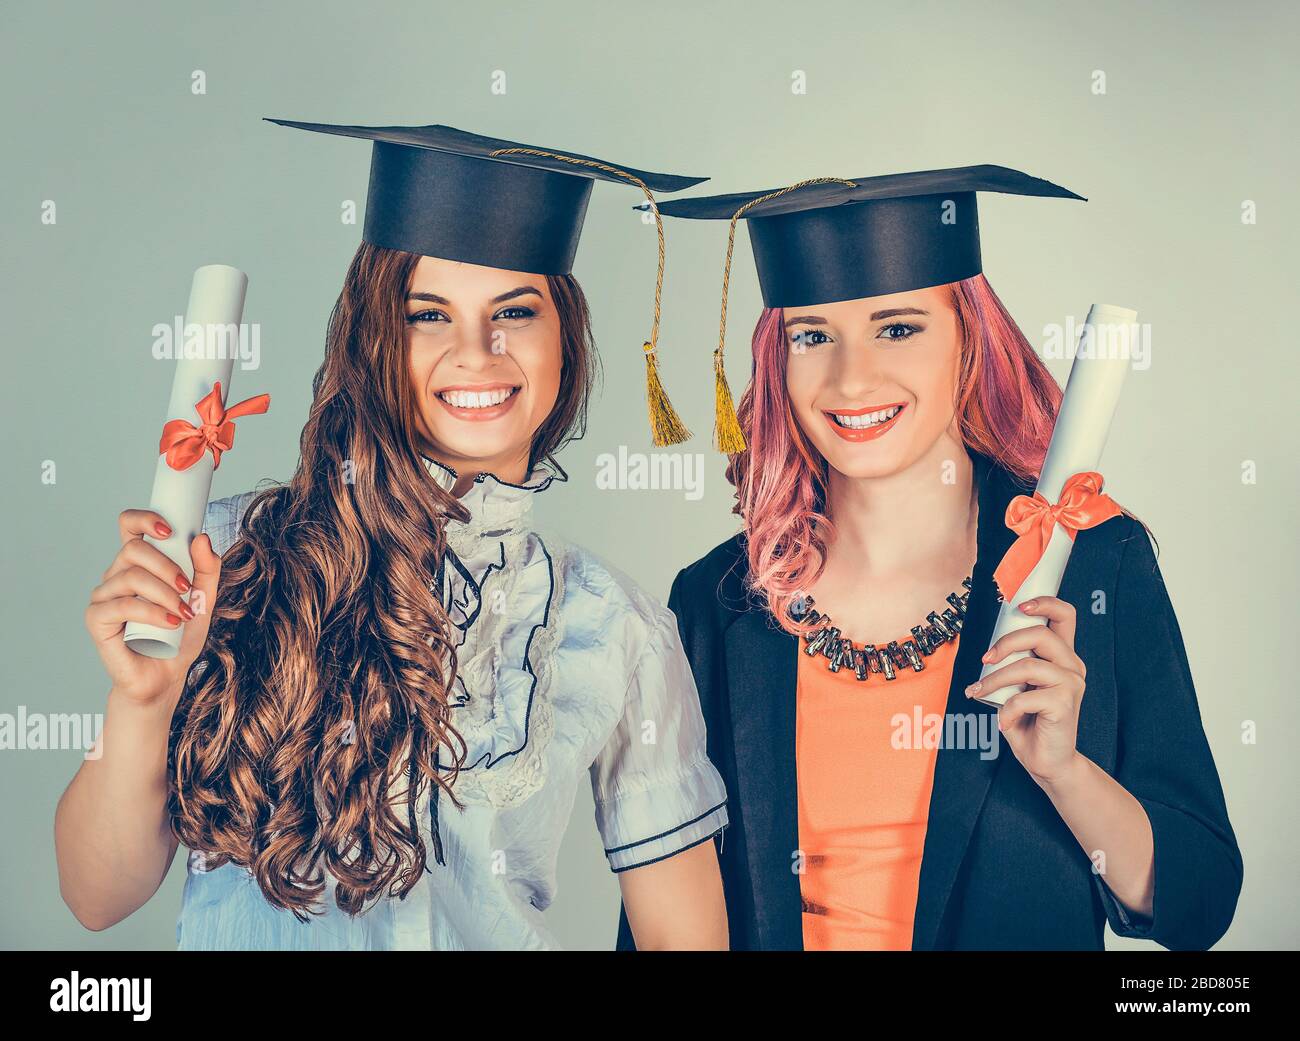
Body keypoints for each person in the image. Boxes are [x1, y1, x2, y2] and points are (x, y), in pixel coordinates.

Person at [56, 120, 729, 950]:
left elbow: (684, 939)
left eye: (515, 311)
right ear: (376, 336)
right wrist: (143, 699)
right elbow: (97, 895)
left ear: (567, 343)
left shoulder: (615, 626)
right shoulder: (217, 558)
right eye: (427, 315)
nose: (475, 352)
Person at [617, 166, 1242, 950]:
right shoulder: (719, 601)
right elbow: (660, 917)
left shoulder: (1090, 562)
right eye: (814, 335)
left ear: (969, 340)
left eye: (898, 326)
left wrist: (1065, 771)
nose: (852, 378)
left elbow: (1200, 900)